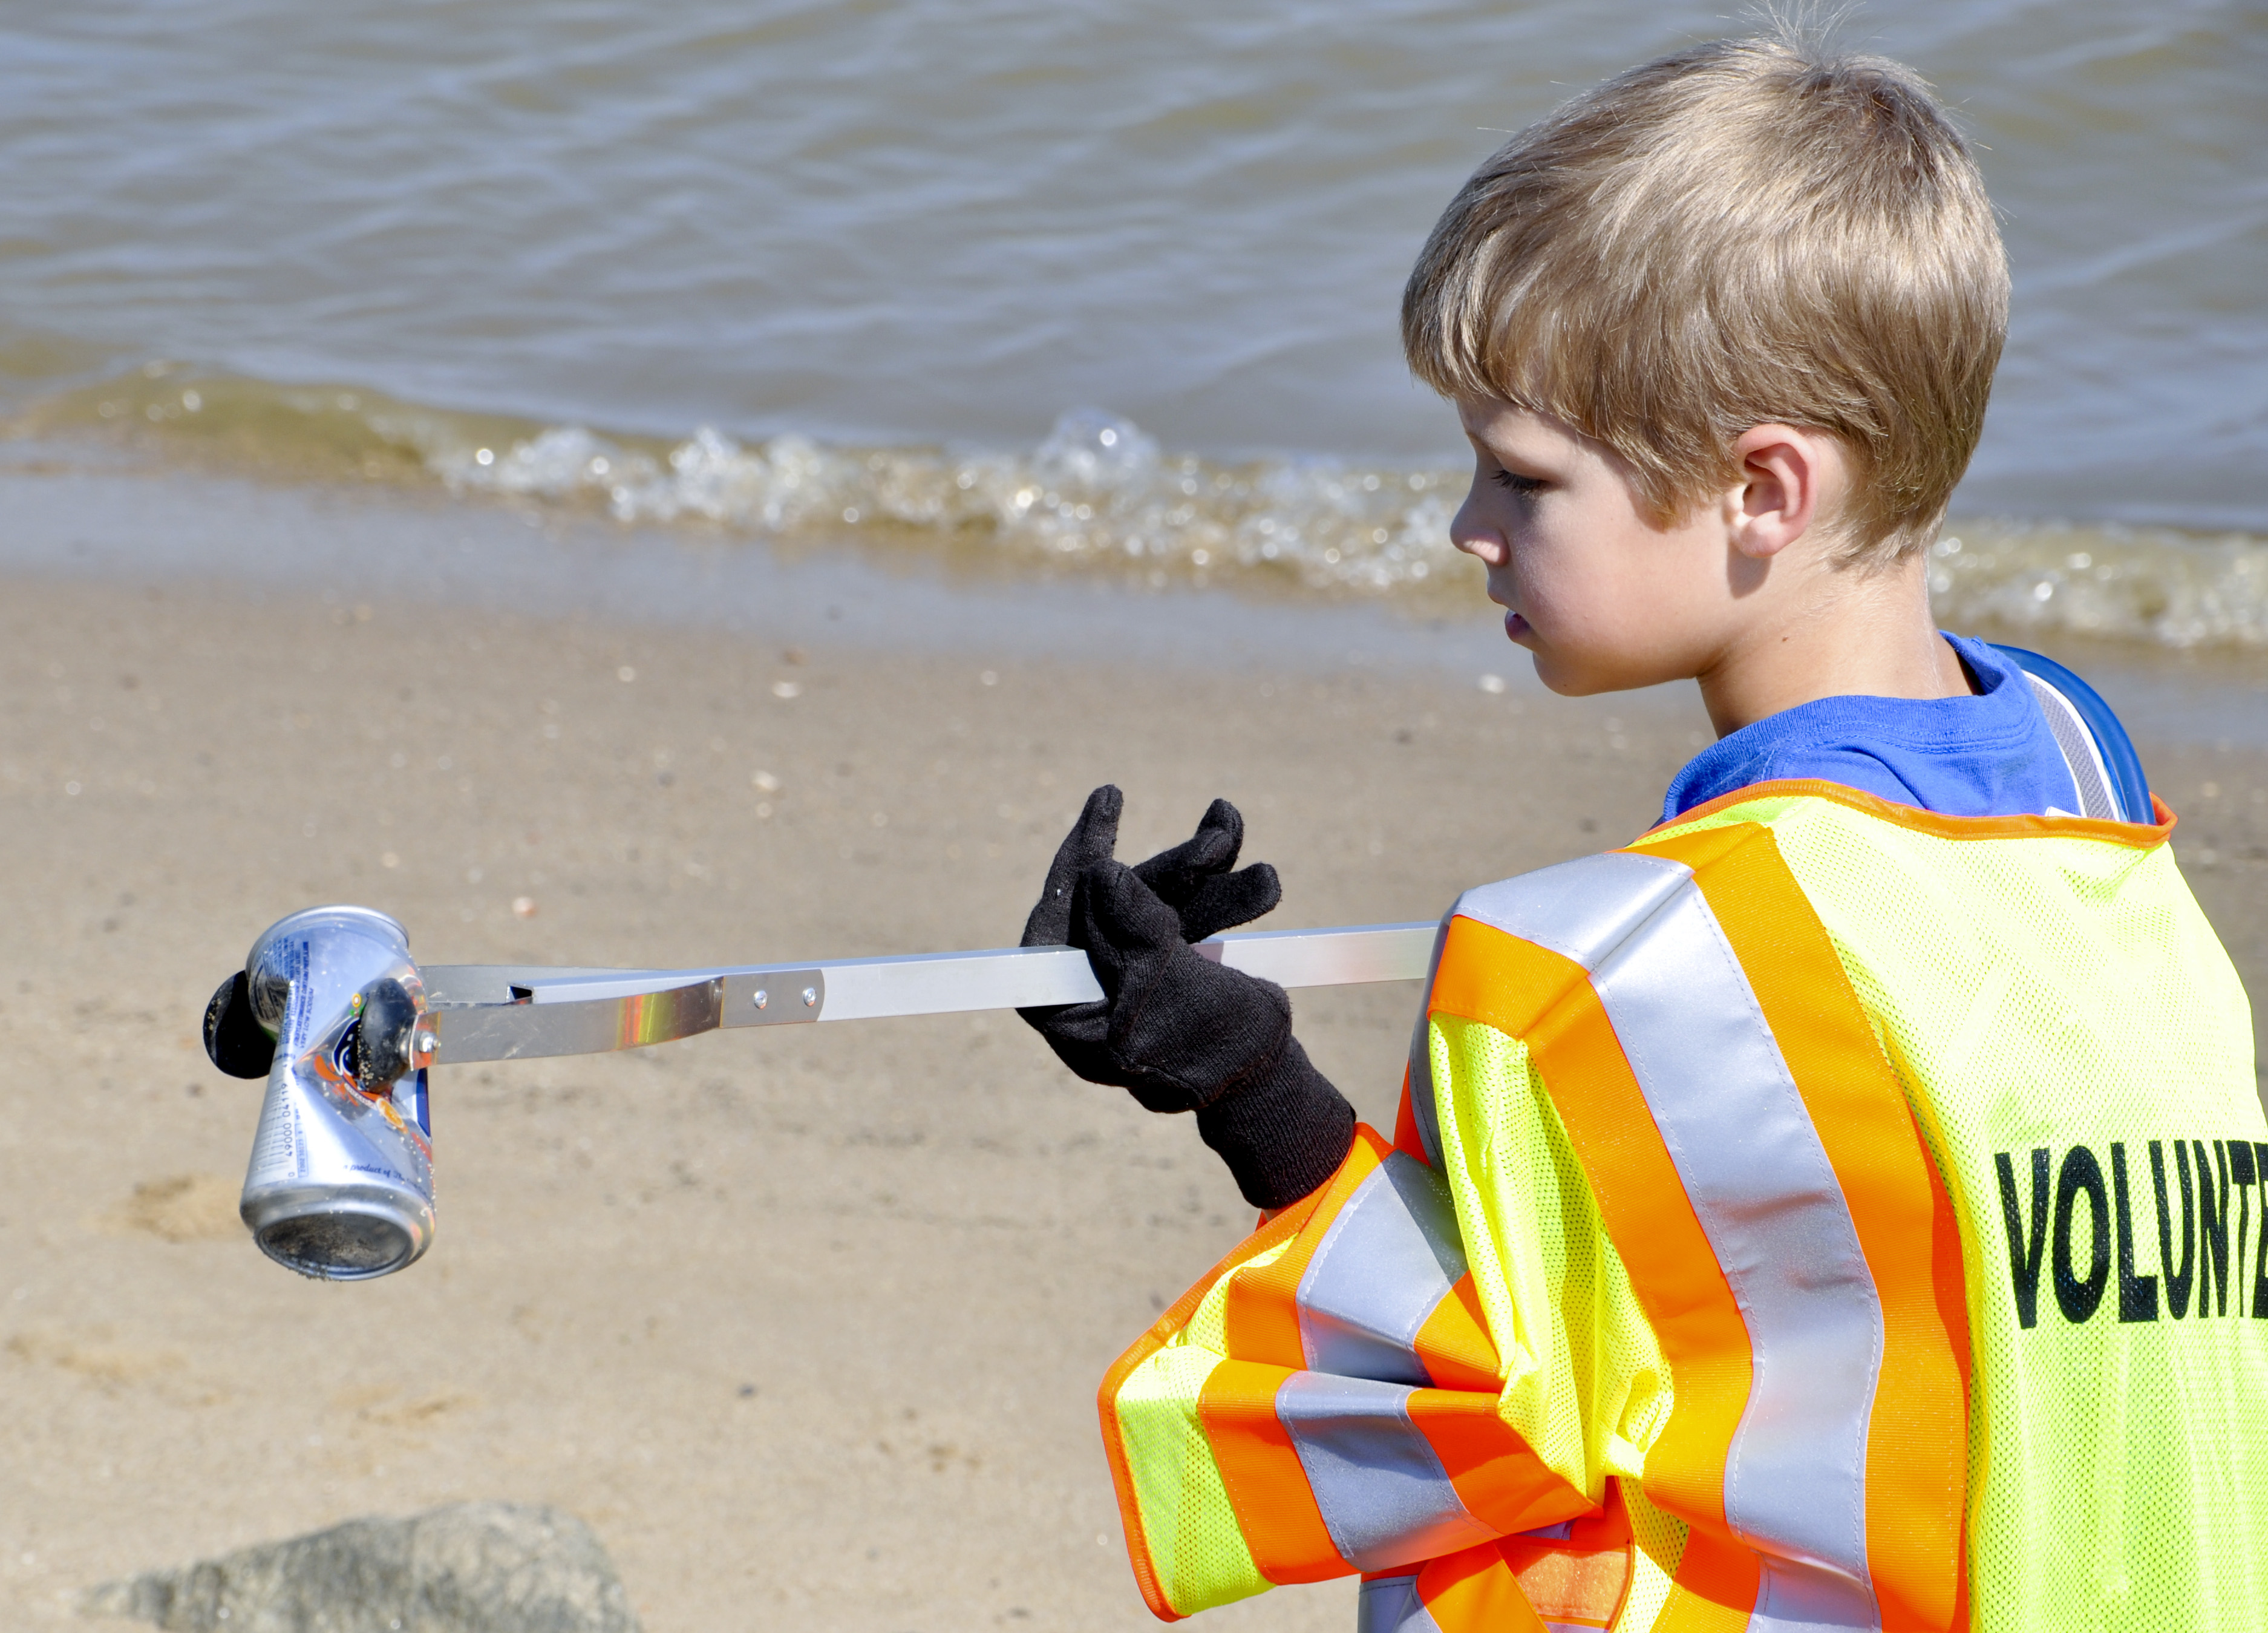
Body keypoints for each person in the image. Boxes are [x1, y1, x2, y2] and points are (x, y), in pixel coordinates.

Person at [1015, 29, 2266, 1633]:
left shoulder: (1623, 961)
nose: (1468, 526)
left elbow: (1460, 1396)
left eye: (1523, 476)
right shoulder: (2086, 788)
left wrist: (1239, 1077)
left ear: (1764, 490)